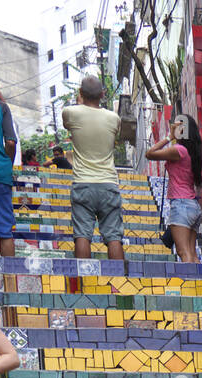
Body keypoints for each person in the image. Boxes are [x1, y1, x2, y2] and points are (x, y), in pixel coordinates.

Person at [61, 74, 123, 262]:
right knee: (114, 237)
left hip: (83, 183)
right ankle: (119, 279)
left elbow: (67, 124)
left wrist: (80, 102)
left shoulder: (70, 113)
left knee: (82, 235)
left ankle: (85, 278)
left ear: (80, 93)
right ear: (103, 94)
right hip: (108, 183)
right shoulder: (114, 118)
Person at [145, 115, 202, 263]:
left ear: (183, 130)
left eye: (176, 126)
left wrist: (169, 137)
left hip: (181, 205)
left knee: (183, 253)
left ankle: (188, 278)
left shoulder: (179, 150)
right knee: (192, 254)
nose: (173, 127)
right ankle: (198, 278)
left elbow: (149, 154)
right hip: (193, 206)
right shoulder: (192, 152)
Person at [0, 82, 17, 257]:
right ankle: (9, 273)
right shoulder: (2, 107)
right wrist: (8, 165)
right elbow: (10, 142)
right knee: (4, 231)